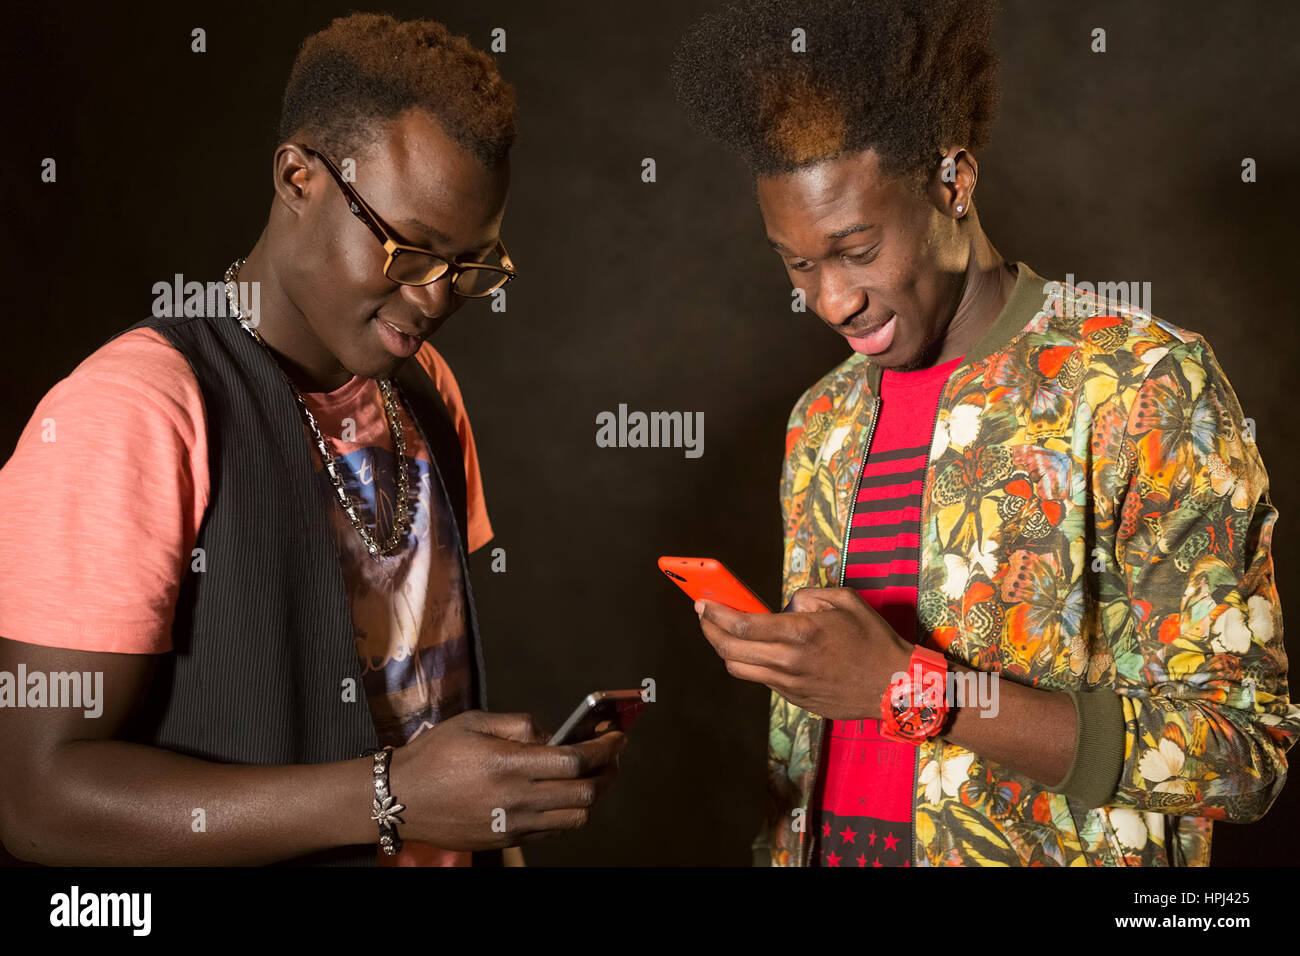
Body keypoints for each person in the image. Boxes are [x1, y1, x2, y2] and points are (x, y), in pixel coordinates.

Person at [671, 0, 1298, 866]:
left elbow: (1239, 756)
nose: (831, 300)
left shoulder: (1139, 383)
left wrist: (910, 688)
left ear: (952, 182)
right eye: (799, 263)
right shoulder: (822, 420)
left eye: (857, 249)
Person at [0, 13, 623, 866]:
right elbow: (37, 797)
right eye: (410, 250)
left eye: (470, 266)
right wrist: (391, 797)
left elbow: (427, 703)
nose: (438, 298)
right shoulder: (136, 409)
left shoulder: (429, 393)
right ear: (298, 177)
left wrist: (500, 812)